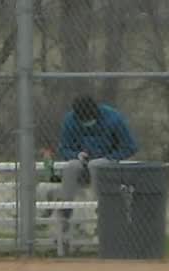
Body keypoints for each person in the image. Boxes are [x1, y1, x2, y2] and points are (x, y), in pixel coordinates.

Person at [55, 95, 138, 231]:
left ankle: (102, 211)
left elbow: (130, 147)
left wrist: (111, 157)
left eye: (89, 119)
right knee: (71, 166)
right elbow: (63, 148)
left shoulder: (114, 118)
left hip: (108, 166)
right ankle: (65, 211)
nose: (87, 123)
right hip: (82, 166)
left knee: (96, 164)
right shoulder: (70, 120)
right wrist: (76, 155)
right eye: (83, 120)